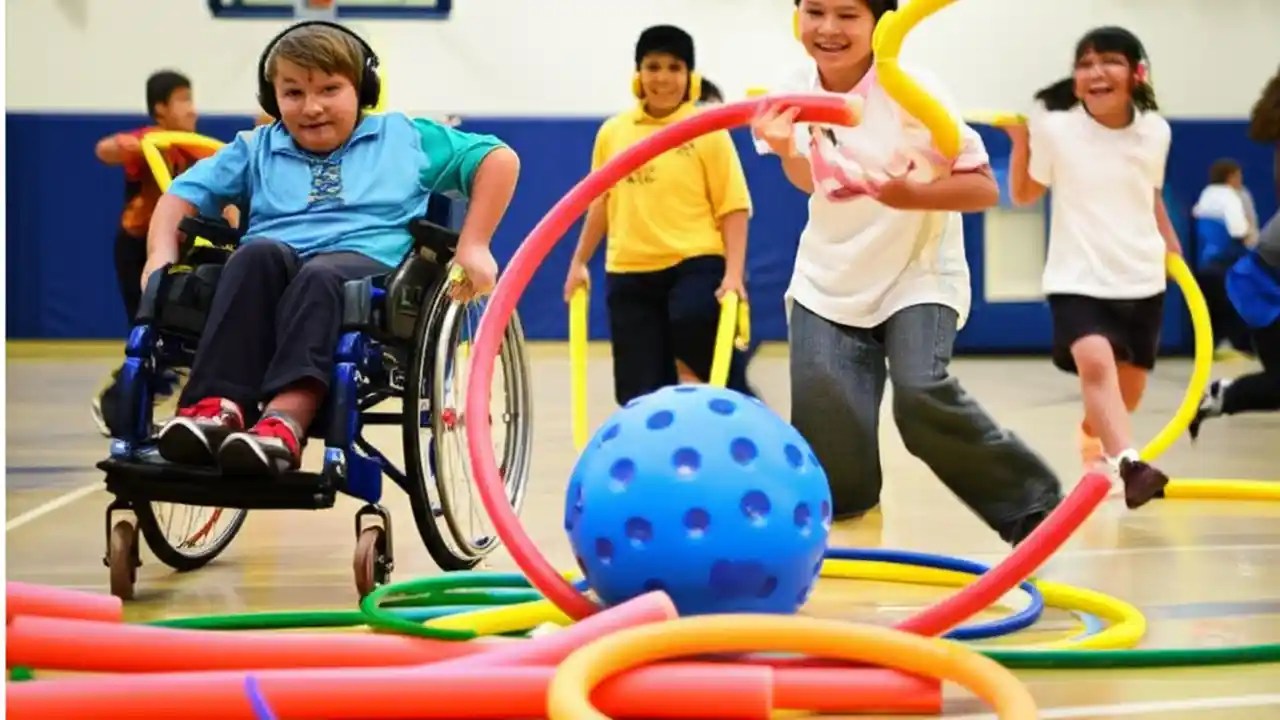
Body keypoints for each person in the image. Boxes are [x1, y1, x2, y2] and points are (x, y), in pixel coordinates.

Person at [751, 0, 1063, 546]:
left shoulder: (914, 91)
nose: (828, 29)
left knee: (920, 393)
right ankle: (847, 507)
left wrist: (912, 195)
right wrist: (783, 150)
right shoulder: (792, 86)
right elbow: (813, 182)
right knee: (831, 426)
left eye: (847, 15)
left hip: (918, 274)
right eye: (815, 11)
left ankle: (1032, 504)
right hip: (828, 277)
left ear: (880, 22)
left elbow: (984, 188)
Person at [147, 21, 519, 474]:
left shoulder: (404, 138)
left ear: (362, 89)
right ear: (272, 98)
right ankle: (216, 408)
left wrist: (474, 244)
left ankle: (287, 418)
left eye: (329, 89)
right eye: (293, 93)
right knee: (253, 255)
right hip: (277, 269)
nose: (312, 107)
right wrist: (159, 255)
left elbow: (498, 159)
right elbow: (179, 196)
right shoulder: (256, 147)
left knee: (321, 275)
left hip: (366, 270)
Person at [1003, 26, 1178, 508]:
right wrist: (1021, 142)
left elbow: (1150, 197)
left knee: (1129, 391)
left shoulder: (1155, 131)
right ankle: (1130, 467)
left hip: (1142, 276)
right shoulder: (1057, 128)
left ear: (1136, 74)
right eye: (1084, 64)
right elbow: (1023, 194)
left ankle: (1093, 433)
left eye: (1109, 62)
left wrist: (1172, 249)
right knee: (1097, 366)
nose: (1095, 72)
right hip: (1076, 278)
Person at [563, 25, 756, 404]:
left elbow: (733, 206)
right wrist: (579, 262)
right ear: (638, 74)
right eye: (653, 66)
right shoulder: (614, 133)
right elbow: (600, 201)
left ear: (690, 77)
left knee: (692, 322)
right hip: (629, 267)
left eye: (674, 67)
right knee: (639, 390)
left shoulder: (707, 131)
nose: (663, 78)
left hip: (695, 260)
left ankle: (742, 406)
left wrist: (734, 274)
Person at [91, 70, 216, 435]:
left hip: (176, 249)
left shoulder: (193, 146)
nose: (192, 110)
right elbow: (104, 149)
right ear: (160, 108)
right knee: (149, 333)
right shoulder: (149, 141)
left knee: (175, 335)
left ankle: (136, 405)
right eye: (183, 101)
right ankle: (119, 406)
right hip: (137, 249)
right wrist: (131, 145)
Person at [1191, 67, 1280, 435]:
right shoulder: (1229, 196)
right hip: (1264, 280)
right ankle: (1222, 395)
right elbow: (1241, 231)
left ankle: (1224, 394)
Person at [1191, 158, 1256, 355]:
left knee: (1211, 309)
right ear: (1231, 177)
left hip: (1204, 266)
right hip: (1228, 265)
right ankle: (1239, 347)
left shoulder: (1205, 195)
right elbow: (1238, 229)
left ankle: (1213, 348)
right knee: (1235, 308)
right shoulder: (1230, 197)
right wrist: (1250, 234)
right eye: (1238, 176)